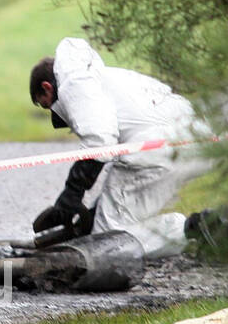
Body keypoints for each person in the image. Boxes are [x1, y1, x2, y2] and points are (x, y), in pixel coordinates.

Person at [28, 37, 216, 259]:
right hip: (197, 142)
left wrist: (72, 194)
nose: (52, 112)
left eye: (46, 103)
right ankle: (201, 230)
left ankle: (195, 230)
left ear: (47, 87)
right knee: (122, 220)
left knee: (108, 241)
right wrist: (92, 213)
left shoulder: (74, 85)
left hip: (156, 151)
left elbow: (100, 143)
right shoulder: (102, 77)